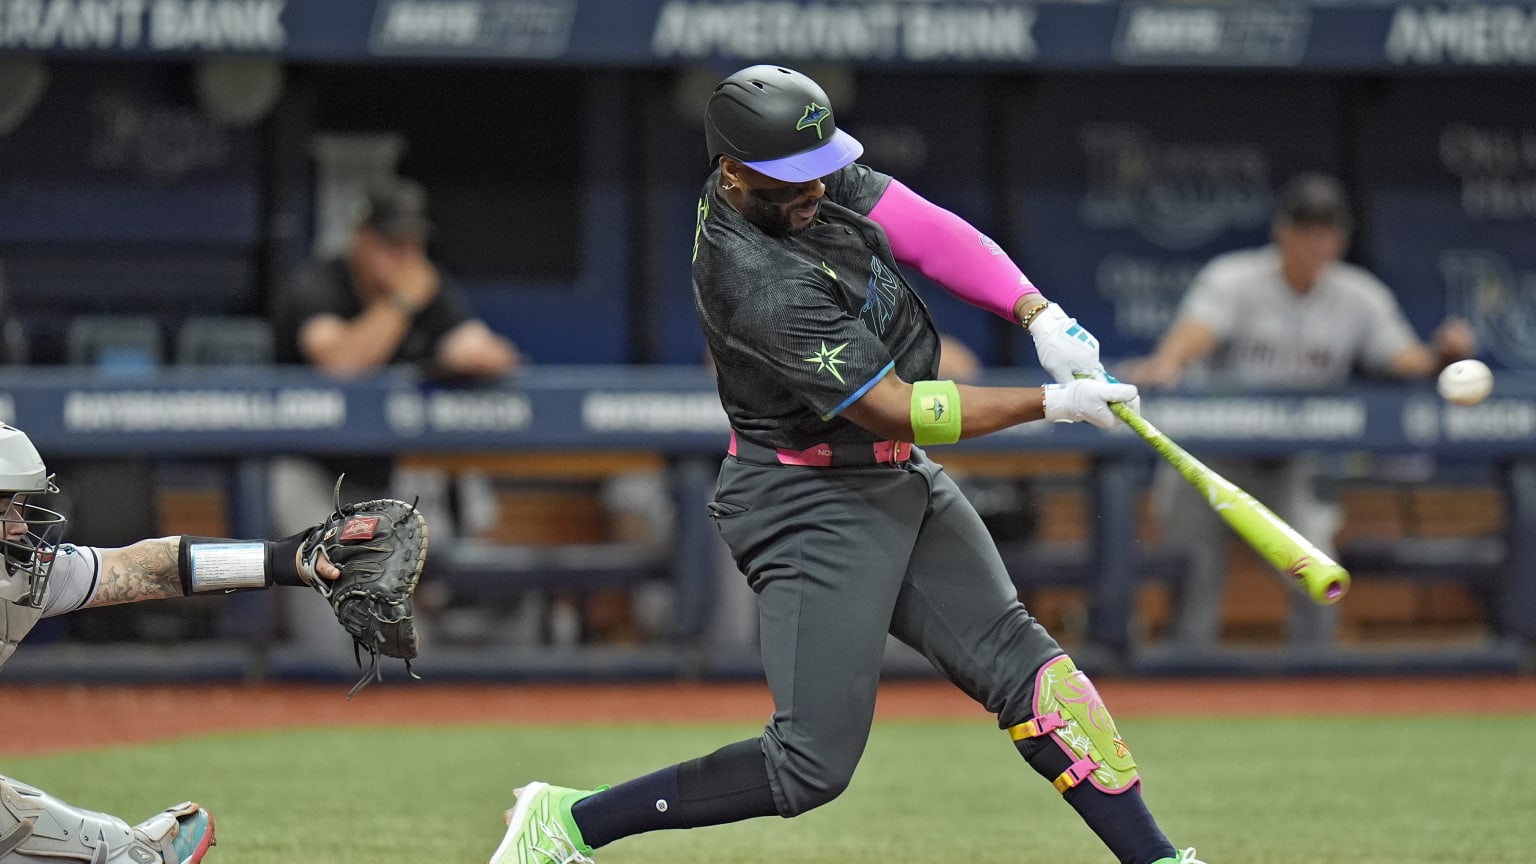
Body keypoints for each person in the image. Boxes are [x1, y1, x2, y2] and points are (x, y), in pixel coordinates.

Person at [488, 64, 1207, 864]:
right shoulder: (751, 281)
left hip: (890, 474)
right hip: (806, 496)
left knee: (1039, 678)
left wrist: (1040, 315)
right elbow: (898, 408)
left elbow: (928, 231)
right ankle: (567, 823)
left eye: (820, 171)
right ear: (732, 173)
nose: (816, 192)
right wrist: (1050, 404)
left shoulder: (800, 173)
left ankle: (1160, 860)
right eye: (793, 182)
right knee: (808, 765)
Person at [1118, 172, 1477, 650]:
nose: (1316, 241)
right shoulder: (1235, 277)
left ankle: (1320, 690)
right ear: (1282, 230)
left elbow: (1402, 357)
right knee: (1194, 581)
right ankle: (1186, 695)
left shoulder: (1358, 295)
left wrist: (1441, 356)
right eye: (1306, 228)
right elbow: (1197, 329)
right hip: (1213, 462)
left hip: (1289, 464)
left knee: (1319, 573)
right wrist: (1169, 361)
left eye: (1327, 230)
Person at [0, 423, 345, 863]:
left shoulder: (24, 578)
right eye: (3, 510)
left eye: (16, 508)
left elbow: (146, 568)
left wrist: (287, 560)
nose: (17, 527)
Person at [272, 177, 518, 650]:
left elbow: (492, 352)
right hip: (309, 469)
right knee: (327, 644)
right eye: (390, 243)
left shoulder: (427, 287)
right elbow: (341, 361)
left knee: (402, 636)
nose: (404, 255)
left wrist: (461, 355)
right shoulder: (319, 285)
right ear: (360, 240)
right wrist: (402, 303)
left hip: (385, 474)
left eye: (412, 243)